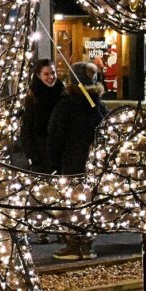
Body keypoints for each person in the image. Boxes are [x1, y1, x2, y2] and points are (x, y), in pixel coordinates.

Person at [48, 61, 107, 260]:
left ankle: (74, 244)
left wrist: (54, 162)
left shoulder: (67, 105)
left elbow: (55, 135)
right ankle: (87, 244)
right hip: (94, 164)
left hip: (72, 162)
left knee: (72, 204)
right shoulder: (98, 105)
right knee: (89, 203)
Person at [19, 58, 65, 175]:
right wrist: (33, 157)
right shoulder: (33, 98)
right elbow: (26, 130)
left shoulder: (62, 93)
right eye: (46, 74)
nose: (51, 77)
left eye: (53, 73)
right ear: (39, 75)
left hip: (61, 151)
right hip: (42, 152)